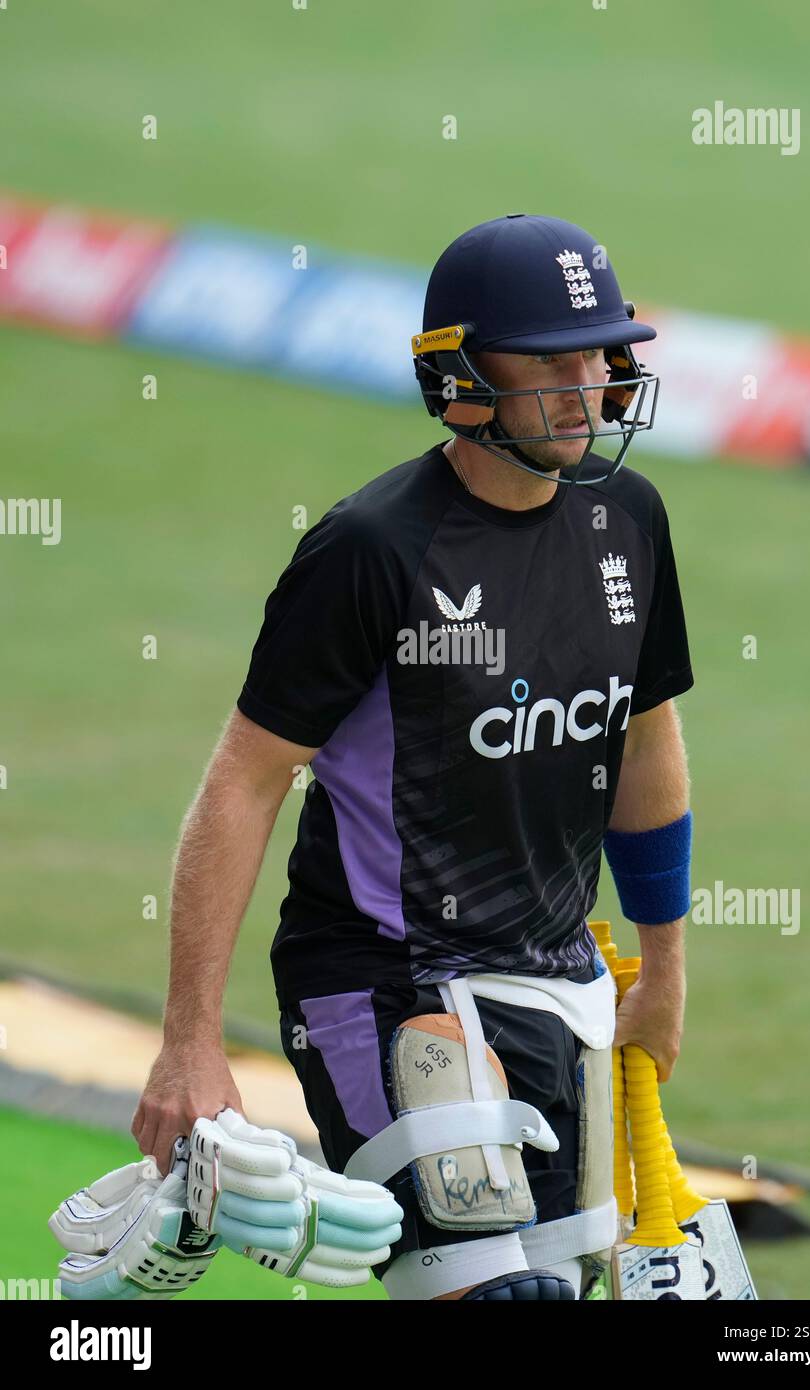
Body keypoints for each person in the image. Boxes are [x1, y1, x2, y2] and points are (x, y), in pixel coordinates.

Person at [133, 213, 694, 1301]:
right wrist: (188, 1041)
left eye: (602, 353)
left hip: (558, 977)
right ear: (461, 379)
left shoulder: (627, 518)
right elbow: (244, 781)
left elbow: (642, 735)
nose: (589, 386)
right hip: (385, 978)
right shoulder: (369, 548)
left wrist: (663, 969)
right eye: (552, 362)